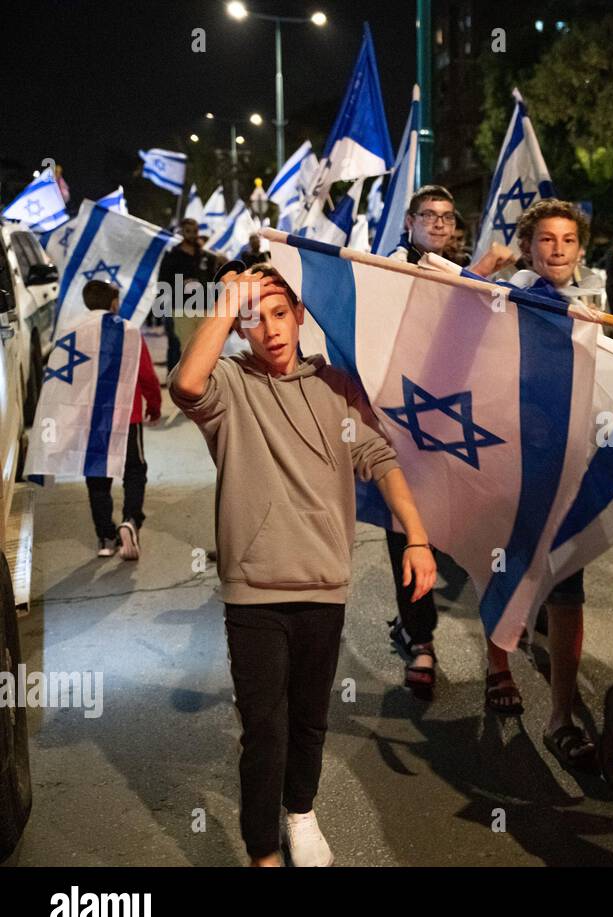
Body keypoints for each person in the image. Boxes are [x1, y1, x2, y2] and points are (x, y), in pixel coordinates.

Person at [169, 263, 437, 867]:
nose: (269, 329)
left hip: (324, 586)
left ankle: (302, 814)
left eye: (279, 312)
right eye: (253, 318)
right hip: (254, 591)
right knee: (264, 731)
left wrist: (417, 537)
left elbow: (381, 459)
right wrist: (230, 297)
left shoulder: (337, 386)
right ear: (238, 329)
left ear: (299, 314)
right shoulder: (231, 387)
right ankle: (263, 850)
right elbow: (187, 383)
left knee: (310, 720)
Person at [380, 186, 513, 700]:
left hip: (460, 420)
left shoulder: (453, 266)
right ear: (409, 222)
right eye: (428, 216)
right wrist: (479, 274)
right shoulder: (391, 267)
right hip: (407, 419)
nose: (438, 224)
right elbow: (426, 320)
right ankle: (421, 641)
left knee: (463, 528)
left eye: (447, 217)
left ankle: (494, 648)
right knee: (409, 529)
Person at [499, 198, 604, 770]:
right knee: (503, 572)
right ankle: (499, 670)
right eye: (546, 239)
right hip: (510, 466)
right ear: (528, 246)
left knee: (567, 587)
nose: (557, 249)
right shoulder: (502, 299)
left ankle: (561, 714)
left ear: (580, 251)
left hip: (567, 467)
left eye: (568, 240)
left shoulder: (592, 311)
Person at [77, 280, 161, 558]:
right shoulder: (130, 332)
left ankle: (105, 536)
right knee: (134, 471)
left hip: (92, 419)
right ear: (114, 303)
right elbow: (147, 375)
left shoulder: (75, 334)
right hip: (128, 415)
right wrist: (155, 404)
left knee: (97, 476)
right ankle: (131, 520)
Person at [156, 217, 219, 372]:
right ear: (182, 232)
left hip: (203, 306)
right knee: (177, 346)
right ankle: (174, 379)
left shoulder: (206, 255)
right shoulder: (172, 256)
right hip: (179, 307)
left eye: (195, 231)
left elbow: (214, 280)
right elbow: (162, 282)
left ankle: (200, 378)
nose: (192, 234)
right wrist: (181, 284)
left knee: (202, 345)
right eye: (188, 231)